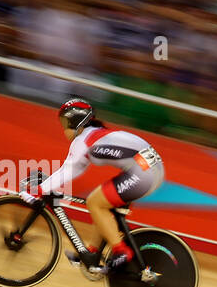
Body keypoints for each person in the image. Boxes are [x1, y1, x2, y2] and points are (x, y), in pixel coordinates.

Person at [17, 98, 165, 273]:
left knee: (95, 202)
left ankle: (121, 251)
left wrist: (38, 190)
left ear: (75, 121)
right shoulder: (94, 134)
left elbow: (68, 171)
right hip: (148, 169)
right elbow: (73, 170)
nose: (63, 128)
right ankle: (93, 252)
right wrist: (43, 188)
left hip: (144, 173)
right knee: (103, 202)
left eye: (65, 122)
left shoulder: (83, 140)